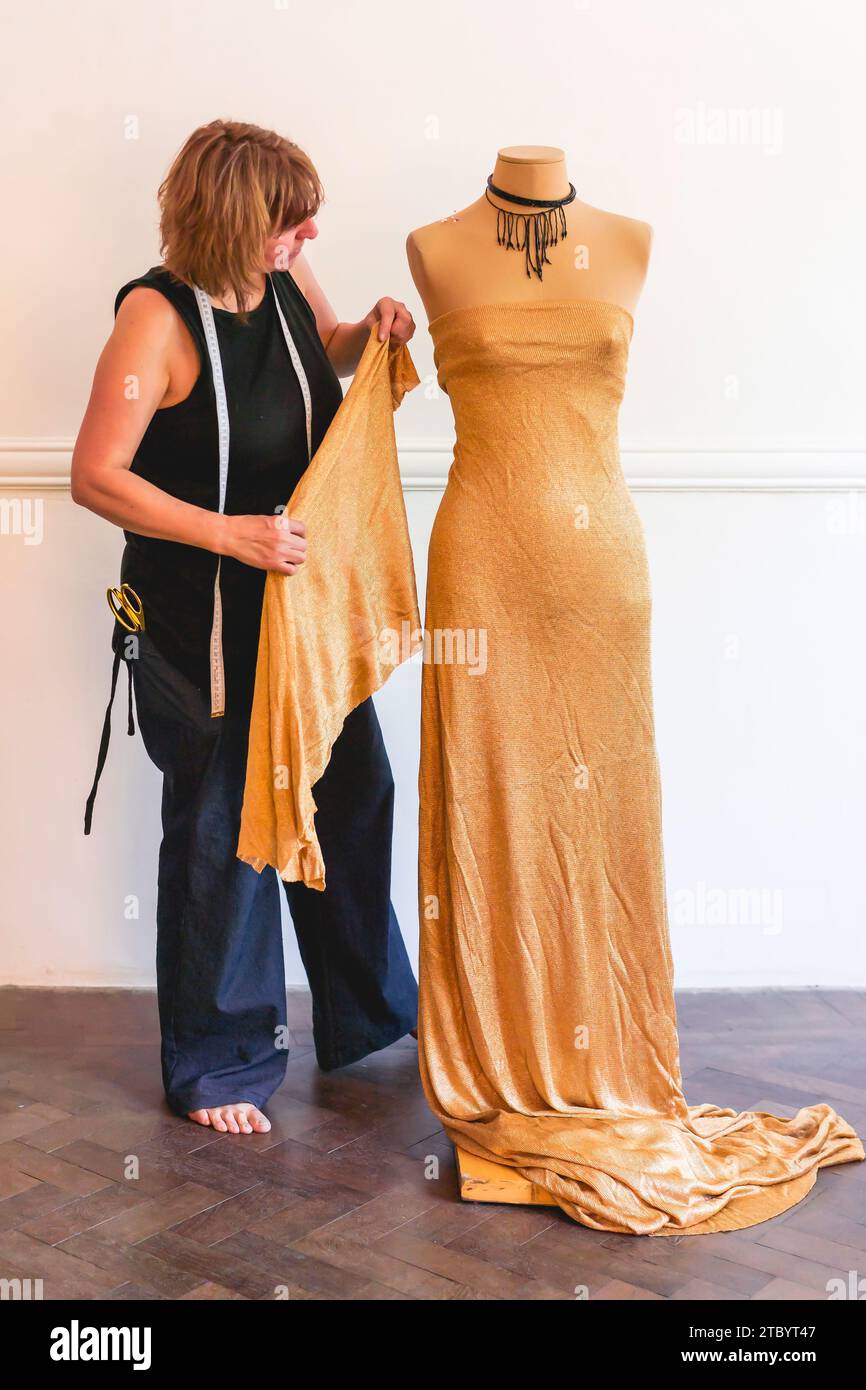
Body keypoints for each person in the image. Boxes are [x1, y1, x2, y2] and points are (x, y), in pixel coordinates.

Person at [72, 119, 418, 1136]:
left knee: (352, 791)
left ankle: (365, 1014)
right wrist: (231, 535)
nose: (307, 238)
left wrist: (371, 330)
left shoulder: (282, 279)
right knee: (225, 828)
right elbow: (96, 475)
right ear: (232, 220)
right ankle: (218, 1062)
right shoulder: (155, 321)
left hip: (301, 608)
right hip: (203, 619)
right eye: (289, 223)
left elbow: (326, 347)